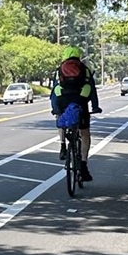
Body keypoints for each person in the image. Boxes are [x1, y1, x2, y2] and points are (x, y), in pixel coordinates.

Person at [50, 46, 101, 181]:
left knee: (61, 118)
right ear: (79, 56)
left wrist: (55, 109)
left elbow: (54, 92)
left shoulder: (59, 70)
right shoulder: (84, 69)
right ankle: (83, 165)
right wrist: (95, 107)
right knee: (85, 133)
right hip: (80, 101)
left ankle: (62, 146)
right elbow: (92, 90)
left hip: (63, 101)